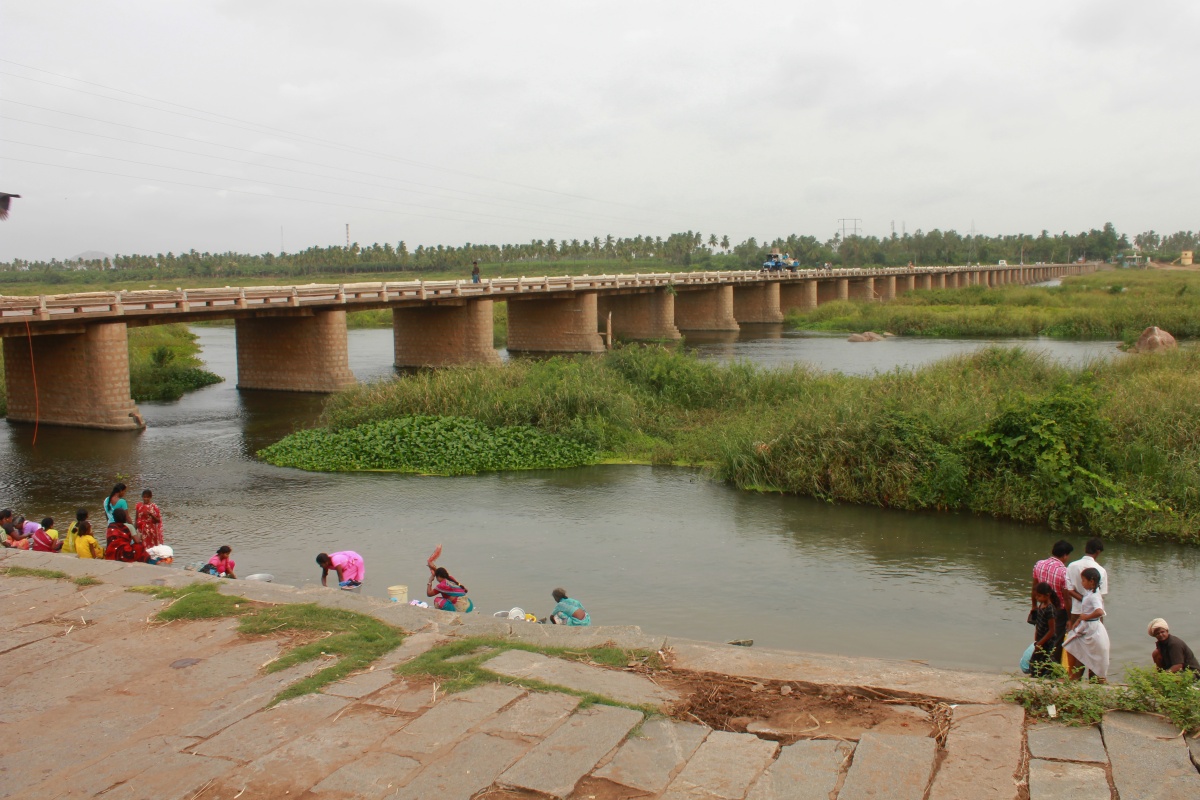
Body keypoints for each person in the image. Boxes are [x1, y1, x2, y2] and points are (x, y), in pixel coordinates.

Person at [1063, 567, 1109, 681]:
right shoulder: (1089, 593)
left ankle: (1074, 675)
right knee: (1070, 645)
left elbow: (1099, 611)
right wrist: (1079, 620)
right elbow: (1086, 610)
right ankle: (1072, 674)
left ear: (1091, 581)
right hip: (1085, 626)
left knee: (1072, 646)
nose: (1082, 583)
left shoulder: (1094, 596)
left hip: (1092, 628)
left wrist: (1086, 617)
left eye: (1083, 580)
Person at [1032, 539, 1073, 662]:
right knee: (1056, 639)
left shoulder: (1039, 564)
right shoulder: (1063, 571)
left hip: (1042, 607)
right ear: (1065, 555)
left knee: (1041, 636)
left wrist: (1034, 606)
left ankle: (1038, 664)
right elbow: (1066, 597)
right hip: (1058, 611)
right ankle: (1052, 668)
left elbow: (1034, 588)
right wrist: (1070, 619)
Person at [1066, 538, 1107, 627]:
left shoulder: (1072, 566)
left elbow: (1069, 590)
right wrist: (1088, 600)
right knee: (1094, 639)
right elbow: (1101, 595)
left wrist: (1085, 600)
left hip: (1077, 610)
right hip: (1094, 615)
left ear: (1085, 549)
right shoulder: (1101, 570)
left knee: (1075, 637)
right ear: (1098, 551)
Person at [1029, 582, 1058, 677]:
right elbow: (1039, 623)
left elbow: (1052, 630)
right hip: (1040, 639)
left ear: (1047, 595)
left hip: (1047, 641)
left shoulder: (1050, 609)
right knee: (1035, 662)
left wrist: (1040, 643)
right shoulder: (1041, 605)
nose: (1037, 598)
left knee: (1044, 662)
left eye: (1039, 596)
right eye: (1036, 596)